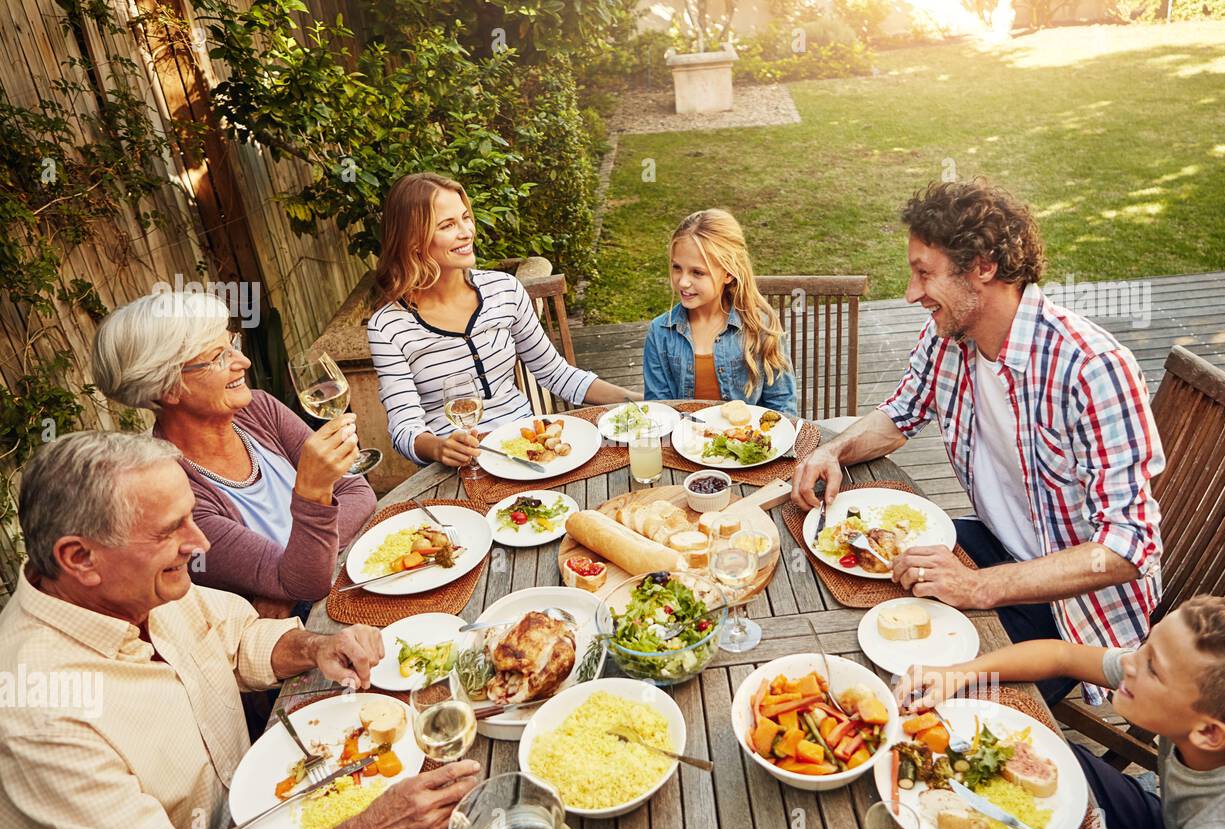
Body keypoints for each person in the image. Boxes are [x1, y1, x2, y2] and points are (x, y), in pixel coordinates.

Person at [0, 431, 479, 829]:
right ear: (79, 558)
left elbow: (238, 638)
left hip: (270, 817)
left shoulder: (133, 588)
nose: (200, 541)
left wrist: (316, 645)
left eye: (192, 515)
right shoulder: (39, 717)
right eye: (171, 529)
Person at [793, 180, 1164, 705]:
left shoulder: (1092, 370)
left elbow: (1131, 546)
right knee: (854, 591)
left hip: (1071, 611)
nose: (911, 293)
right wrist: (833, 450)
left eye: (925, 273)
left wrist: (979, 587)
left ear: (982, 267)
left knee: (905, 690)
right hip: (987, 548)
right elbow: (900, 414)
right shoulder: (952, 332)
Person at [894, 595, 1225, 829]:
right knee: (1055, 754)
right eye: (1146, 645)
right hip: (1170, 822)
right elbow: (1062, 654)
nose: (1130, 662)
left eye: (1153, 668)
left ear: (1210, 734)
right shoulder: (1198, 690)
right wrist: (957, 674)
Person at [92, 291, 376, 620]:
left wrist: (290, 574)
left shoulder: (259, 410)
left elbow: (357, 491)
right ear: (168, 387)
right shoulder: (171, 489)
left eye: (233, 345)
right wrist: (313, 493)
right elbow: (306, 583)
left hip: (351, 582)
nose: (243, 362)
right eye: (218, 357)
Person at [368, 172, 639, 469]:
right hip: (456, 469)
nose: (466, 231)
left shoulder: (505, 290)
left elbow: (556, 374)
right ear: (413, 241)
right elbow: (404, 427)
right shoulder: (388, 327)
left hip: (528, 451)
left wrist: (637, 399)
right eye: (447, 225)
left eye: (465, 218)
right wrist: (437, 447)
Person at [642, 209, 797, 415]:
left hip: (750, 444)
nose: (683, 281)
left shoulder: (760, 328)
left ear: (728, 274)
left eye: (697, 272)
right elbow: (658, 412)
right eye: (677, 268)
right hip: (682, 445)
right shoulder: (660, 333)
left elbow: (782, 407)